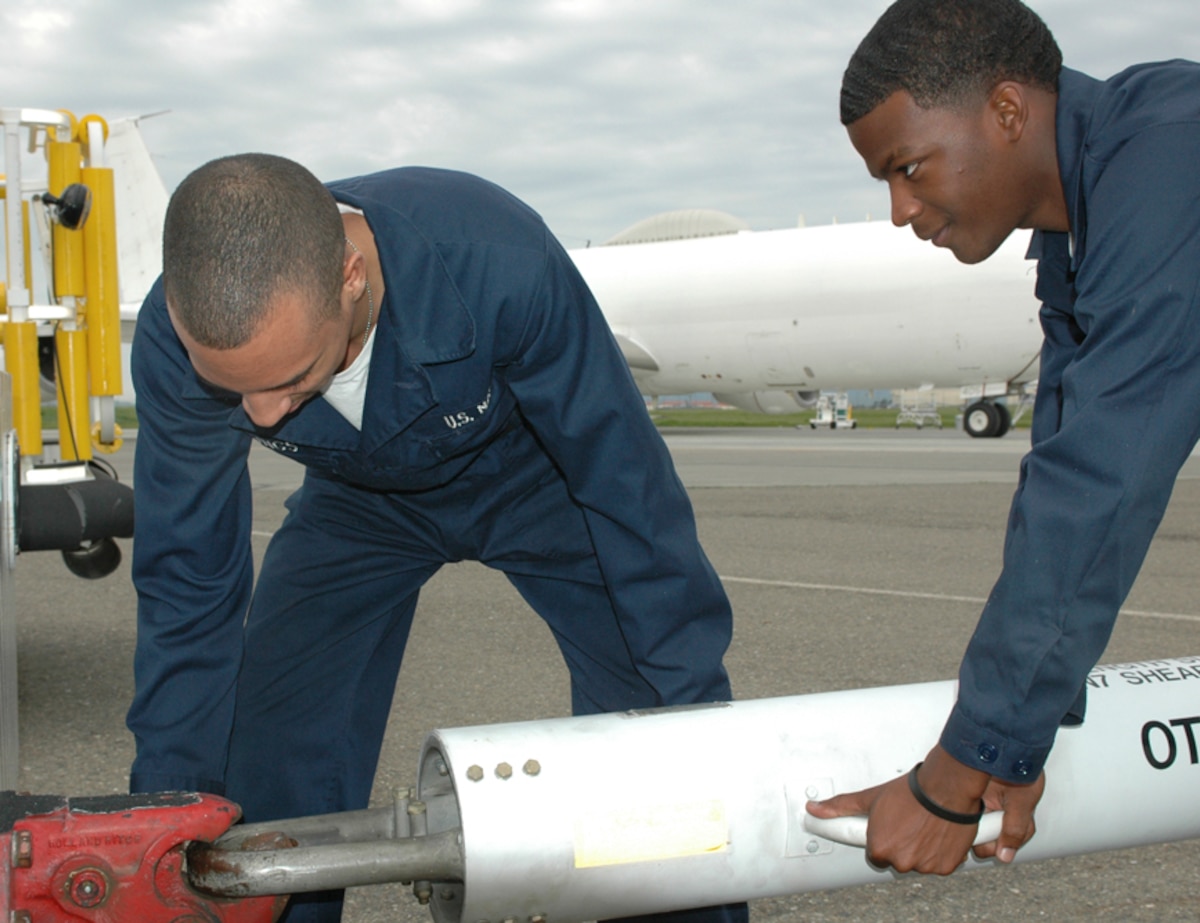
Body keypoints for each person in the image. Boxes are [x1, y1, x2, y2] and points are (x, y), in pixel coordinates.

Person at [127, 154, 746, 923]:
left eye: (291, 377)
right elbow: (189, 577)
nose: (260, 415)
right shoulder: (171, 338)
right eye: (234, 389)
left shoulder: (496, 260)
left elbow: (628, 489)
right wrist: (162, 811)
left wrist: (690, 713)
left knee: (652, 732)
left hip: (538, 477)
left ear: (351, 275)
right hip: (357, 504)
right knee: (271, 743)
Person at [807, 0, 1200, 875]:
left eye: (908, 167)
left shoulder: (1176, 158)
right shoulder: (1079, 233)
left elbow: (1104, 484)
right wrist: (1012, 747)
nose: (901, 209)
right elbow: (1061, 474)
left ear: (1009, 112)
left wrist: (955, 776)